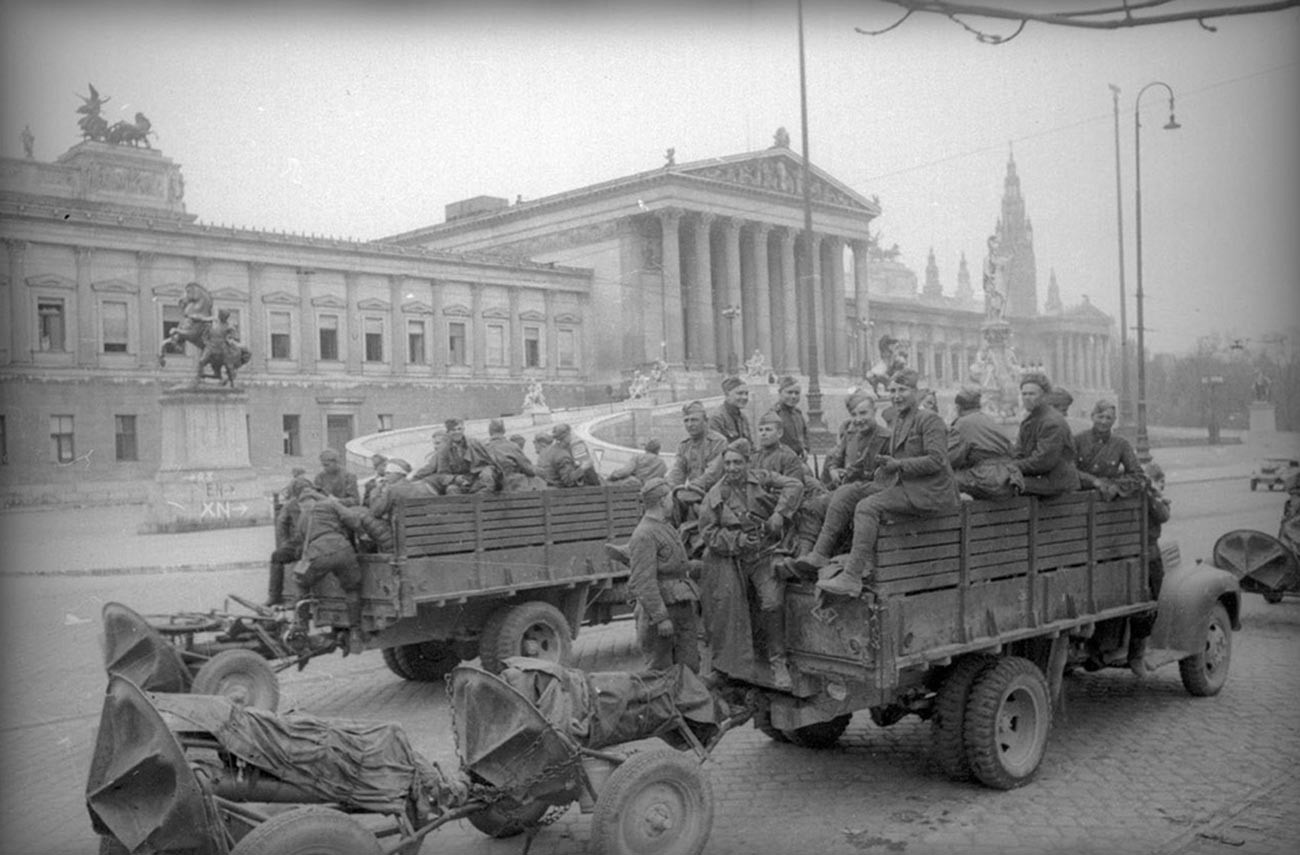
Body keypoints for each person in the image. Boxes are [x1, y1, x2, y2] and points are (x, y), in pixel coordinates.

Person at [819, 369, 959, 599]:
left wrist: (899, 465)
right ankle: (821, 555)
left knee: (868, 506)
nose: (896, 395)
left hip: (930, 491)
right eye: (892, 390)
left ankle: (852, 577)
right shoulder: (901, 419)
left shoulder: (928, 419)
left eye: (902, 390)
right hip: (908, 485)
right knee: (852, 492)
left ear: (915, 391)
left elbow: (937, 460)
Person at [698, 439, 803, 689]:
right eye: (728, 463)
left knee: (771, 602)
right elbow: (709, 532)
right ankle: (724, 667)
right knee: (726, 609)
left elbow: (794, 484)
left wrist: (780, 512)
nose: (732, 468)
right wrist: (738, 539)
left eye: (737, 462)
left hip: (763, 556)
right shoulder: (716, 494)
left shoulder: (762, 478)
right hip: (732, 561)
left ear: (747, 462)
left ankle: (778, 663)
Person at [793, 389, 888, 574]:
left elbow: (886, 478)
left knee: (841, 498)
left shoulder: (885, 438)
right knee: (812, 507)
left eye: (863, 413)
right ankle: (804, 557)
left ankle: (821, 553)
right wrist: (834, 470)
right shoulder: (851, 434)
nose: (858, 419)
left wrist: (858, 474)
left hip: (869, 493)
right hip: (847, 490)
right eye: (854, 414)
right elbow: (836, 458)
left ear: (874, 412)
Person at [627, 477, 701, 672]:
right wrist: (661, 618)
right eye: (670, 498)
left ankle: (685, 701)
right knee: (659, 669)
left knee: (689, 665)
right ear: (662, 501)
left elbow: (675, 565)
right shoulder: (644, 534)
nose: (672, 503)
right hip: (662, 612)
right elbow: (644, 582)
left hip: (679, 605)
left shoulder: (664, 527)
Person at [294, 486, 370, 656]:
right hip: (343, 549)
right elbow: (352, 518)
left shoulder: (303, 516)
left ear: (304, 503)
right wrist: (361, 533)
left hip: (318, 554)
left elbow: (299, 539)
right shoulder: (330, 504)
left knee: (300, 581)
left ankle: (302, 628)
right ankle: (356, 631)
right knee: (352, 589)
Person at [752, 410, 827, 556]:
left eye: (768, 430)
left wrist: (780, 512)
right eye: (760, 430)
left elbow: (795, 489)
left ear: (779, 433)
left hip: (786, 507)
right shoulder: (755, 457)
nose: (763, 433)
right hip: (761, 503)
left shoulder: (788, 456)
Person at [1129, 462, 1172, 675]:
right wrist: (1152, 493)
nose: (1161, 486)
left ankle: (1139, 653)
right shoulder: (1147, 496)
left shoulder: (1151, 496)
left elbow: (1163, 513)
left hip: (1148, 553)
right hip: (1146, 555)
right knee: (1148, 603)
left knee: (1152, 602)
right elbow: (1163, 515)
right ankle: (1136, 656)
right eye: (1159, 482)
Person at [948, 387, 1023, 500]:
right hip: (1009, 478)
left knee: (943, 479)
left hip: (989, 478)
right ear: (979, 406)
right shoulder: (989, 420)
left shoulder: (963, 423)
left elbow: (950, 458)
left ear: (958, 408)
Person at [1013, 373, 1080, 498]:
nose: (1027, 398)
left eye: (1032, 394)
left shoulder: (1052, 422)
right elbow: (1018, 451)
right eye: (1024, 394)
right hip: (1042, 479)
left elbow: (1043, 461)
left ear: (1044, 396)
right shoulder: (1029, 420)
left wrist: (1010, 467)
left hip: (1057, 483)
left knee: (1006, 485)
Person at [668, 400, 728, 514]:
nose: (690, 424)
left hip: (716, 496)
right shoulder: (684, 446)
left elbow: (712, 475)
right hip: (693, 495)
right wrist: (668, 489)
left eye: (694, 420)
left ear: (706, 421)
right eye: (686, 420)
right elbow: (676, 473)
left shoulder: (718, 442)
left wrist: (687, 490)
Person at [1076, 400, 1143, 500]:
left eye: (1108, 418)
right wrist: (1093, 481)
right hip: (1078, 500)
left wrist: (1117, 486)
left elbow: (1137, 474)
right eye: (1100, 417)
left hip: (1109, 505)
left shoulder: (1121, 444)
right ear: (1092, 416)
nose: (1104, 422)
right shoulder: (1078, 440)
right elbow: (1068, 469)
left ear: (1114, 420)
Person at [266, 475, 311, 606]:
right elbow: (281, 523)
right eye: (300, 490)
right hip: (299, 543)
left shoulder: (319, 502)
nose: (303, 492)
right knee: (277, 556)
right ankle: (274, 595)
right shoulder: (291, 505)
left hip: (314, 542)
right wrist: (286, 543)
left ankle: (300, 598)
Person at [421, 419, 495, 494]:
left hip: (477, 479)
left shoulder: (475, 443)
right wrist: (455, 479)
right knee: (451, 489)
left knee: (485, 486)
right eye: (453, 430)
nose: (457, 432)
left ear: (463, 429)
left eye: (459, 429)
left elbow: (490, 463)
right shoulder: (444, 450)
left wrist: (486, 471)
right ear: (448, 432)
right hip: (459, 483)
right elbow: (442, 474)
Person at [538, 423, 601, 487]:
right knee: (589, 470)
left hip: (554, 485)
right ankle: (599, 488)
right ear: (565, 437)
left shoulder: (554, 449)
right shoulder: (562, 455)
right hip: (564, 489)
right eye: (570, 434)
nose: (571, 437)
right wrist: (583, 467)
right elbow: (568, 481)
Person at [485, 418, 538, 491]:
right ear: (504, 431)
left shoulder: (484, 448)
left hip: (491, 487)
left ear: (490, 432)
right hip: (511, 486)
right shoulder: (512, 446)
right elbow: (528, 469)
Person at [768, 375, 809, 459]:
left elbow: (805, 435)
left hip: (798, 459)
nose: (793, 396)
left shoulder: (798, 414)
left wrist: (805, 449)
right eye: (789, 392)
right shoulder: (774, 414)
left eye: (797, 393)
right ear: (780, 393)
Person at [709, 375, 752, 444]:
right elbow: (717, 449)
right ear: (727, 394)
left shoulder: (743, 417)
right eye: (739, 393)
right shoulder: (716, 418)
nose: (745, 397)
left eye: (746, 394)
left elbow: (750, 445)